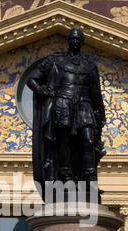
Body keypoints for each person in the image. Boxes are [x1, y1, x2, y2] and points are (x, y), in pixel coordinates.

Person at [26, 27, 106, 186]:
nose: (75, 42)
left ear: (82, 42)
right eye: (73, 39)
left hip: (84, 105)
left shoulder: (90, 66)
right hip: (63, 103)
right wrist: (43, 90)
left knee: (89, 140)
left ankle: (89, 177)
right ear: (69, 41)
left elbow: (95, 91)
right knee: (64, 141)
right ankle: (66, 174)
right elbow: (32, 80)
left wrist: (101, 114)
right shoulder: (56, 60)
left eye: (78, 39)